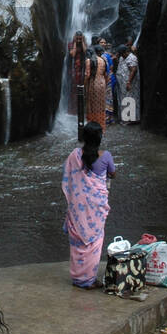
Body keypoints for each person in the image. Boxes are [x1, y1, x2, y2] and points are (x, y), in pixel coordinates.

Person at [61, 121, 114, 287]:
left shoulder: (74, 156)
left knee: (78, 243)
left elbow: (68, 180)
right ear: (99, 138)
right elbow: (113, 173)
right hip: (96, 208)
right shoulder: (105, 156)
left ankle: (78, 278)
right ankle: (89, 280)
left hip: (78, 209)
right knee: (94, 242)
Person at [83, 48, 107, 127]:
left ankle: (92, 124)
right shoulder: (103, 59)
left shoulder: (89, 61)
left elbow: (87, 75)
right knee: (100, 104)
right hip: (102, 83)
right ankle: (101, 124)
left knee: (91, 104)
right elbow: (106, 74)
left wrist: (84, 85)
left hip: (93, 83)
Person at [118, 41, 140, 123]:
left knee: (130, 100)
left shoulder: (132, 58)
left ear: (126, 52)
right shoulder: (122, 57)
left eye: (121, 54)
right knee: (125, 100)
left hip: (130, 84)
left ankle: (130, 120)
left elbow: (133, 70)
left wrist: (128, 82)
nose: (121, 55)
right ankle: (126, 118)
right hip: (123, 83)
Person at [67, 33, 87, 116]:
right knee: (74, 89)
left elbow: (85, 51)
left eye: (80, 38)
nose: (78, 40)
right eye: (77, 38)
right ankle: (72, 110)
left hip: (83, 68)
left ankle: (81, 109)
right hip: (74, 68)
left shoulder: (84, 44)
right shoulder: (71, 44)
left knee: (82, 88)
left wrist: (82, 41)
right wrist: (75, 42)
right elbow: (73, 54)